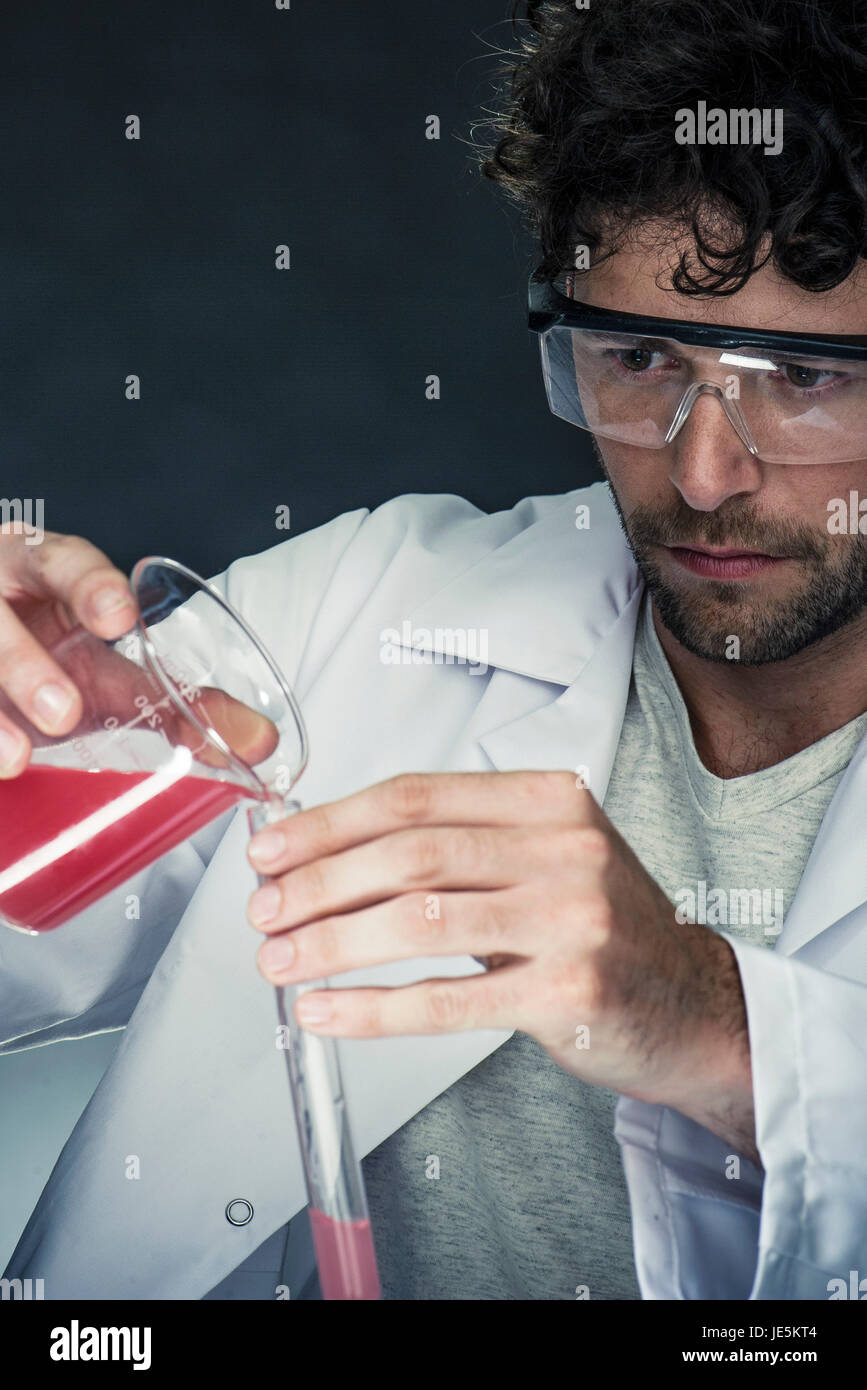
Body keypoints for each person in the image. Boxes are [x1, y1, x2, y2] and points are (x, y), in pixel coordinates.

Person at [3, 0, 867, 1299]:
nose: (701, 471)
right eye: (635, 356)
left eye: (801, 379)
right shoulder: (372, 610)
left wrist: (714, 1022)